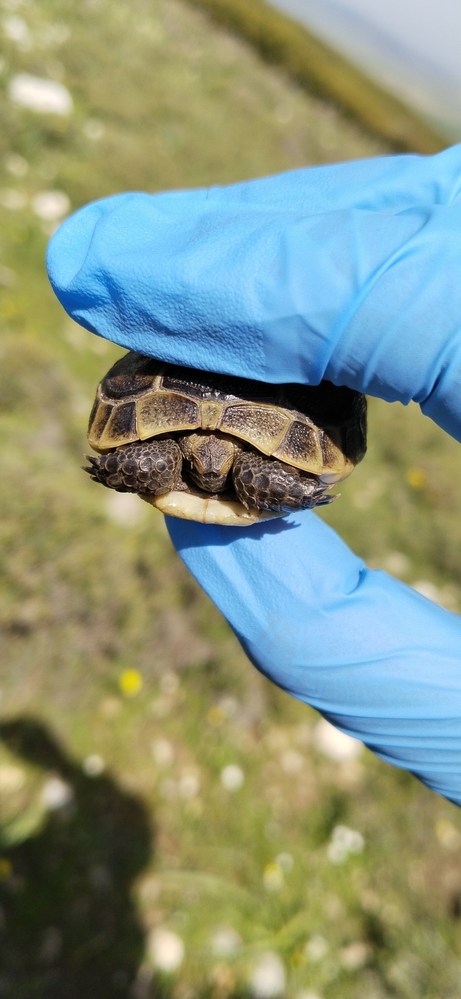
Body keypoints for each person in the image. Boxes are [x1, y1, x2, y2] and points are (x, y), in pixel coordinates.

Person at [47, 145, 461, 806]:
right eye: (201, 459)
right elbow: (149, 454)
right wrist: (132, 459)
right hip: (182, 400)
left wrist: (277, 474)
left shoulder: (250, 472)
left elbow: (265, 469)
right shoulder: (171, 455)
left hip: (270, 424)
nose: (209, 466)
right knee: (149, 459)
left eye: (214, 463)